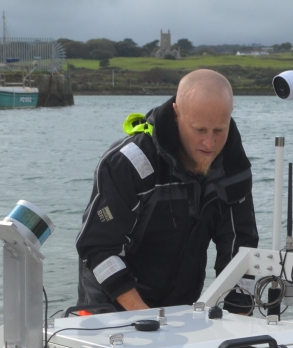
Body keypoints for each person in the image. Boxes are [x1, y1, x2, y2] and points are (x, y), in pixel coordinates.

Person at [75, 69, 257, 313]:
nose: (209, 143)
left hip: (181, 309)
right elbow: (97, 248)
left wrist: (239, 315)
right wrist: (144, 314)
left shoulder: (233, 165)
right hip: (110, 307)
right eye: (199, 130)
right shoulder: (130, 163)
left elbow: (240, 248)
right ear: (176, 113)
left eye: (219, 130)